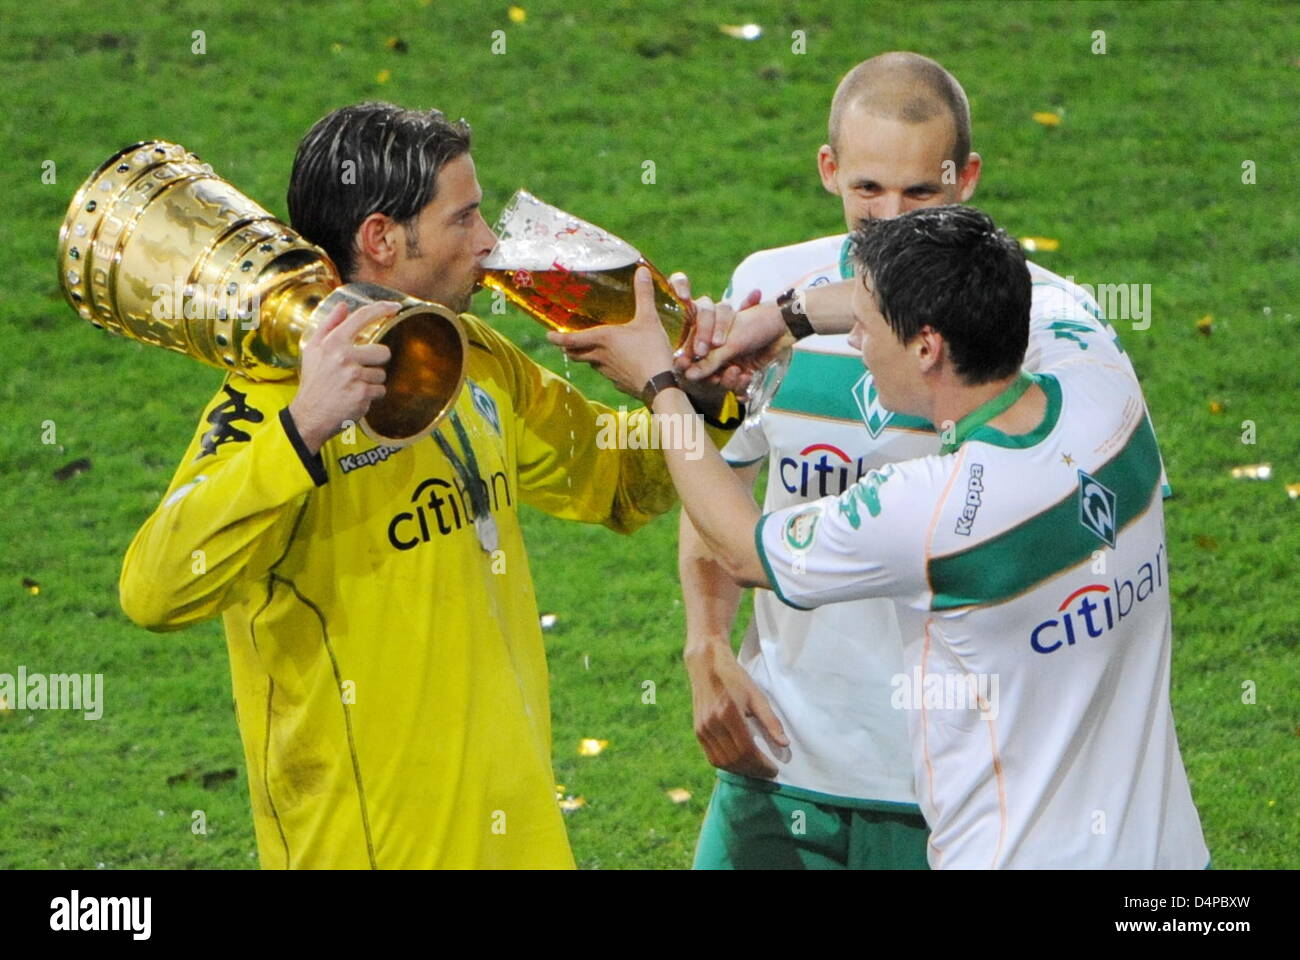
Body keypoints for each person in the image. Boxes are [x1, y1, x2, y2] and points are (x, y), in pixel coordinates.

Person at [118, 102, 738, 869]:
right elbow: (154, 591)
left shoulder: (471, 356)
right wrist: (304, 431)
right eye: (465, 217)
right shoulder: (270, 403)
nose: (488, 242)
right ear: (382, 238)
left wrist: (697, 401)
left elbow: (615, 479)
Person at [552, 206, 1209, 869]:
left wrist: (659, 386)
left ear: (927, 348)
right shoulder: (1098, 375)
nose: (854, 341)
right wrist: (786, 318)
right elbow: (1033, 287)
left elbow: (741, 549)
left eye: (864, 327)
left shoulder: (932, 511)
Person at [672, 51, 1166, 870]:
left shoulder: (1035, 317)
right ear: (828, 169)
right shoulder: (768, 285)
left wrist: (655, 383)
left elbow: (747, 542)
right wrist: (706, 640)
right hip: (780, 757)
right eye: (868, 189)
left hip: (943, 784)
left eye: (921, 193)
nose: (891, 217)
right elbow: (727, 474)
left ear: (966, 177)